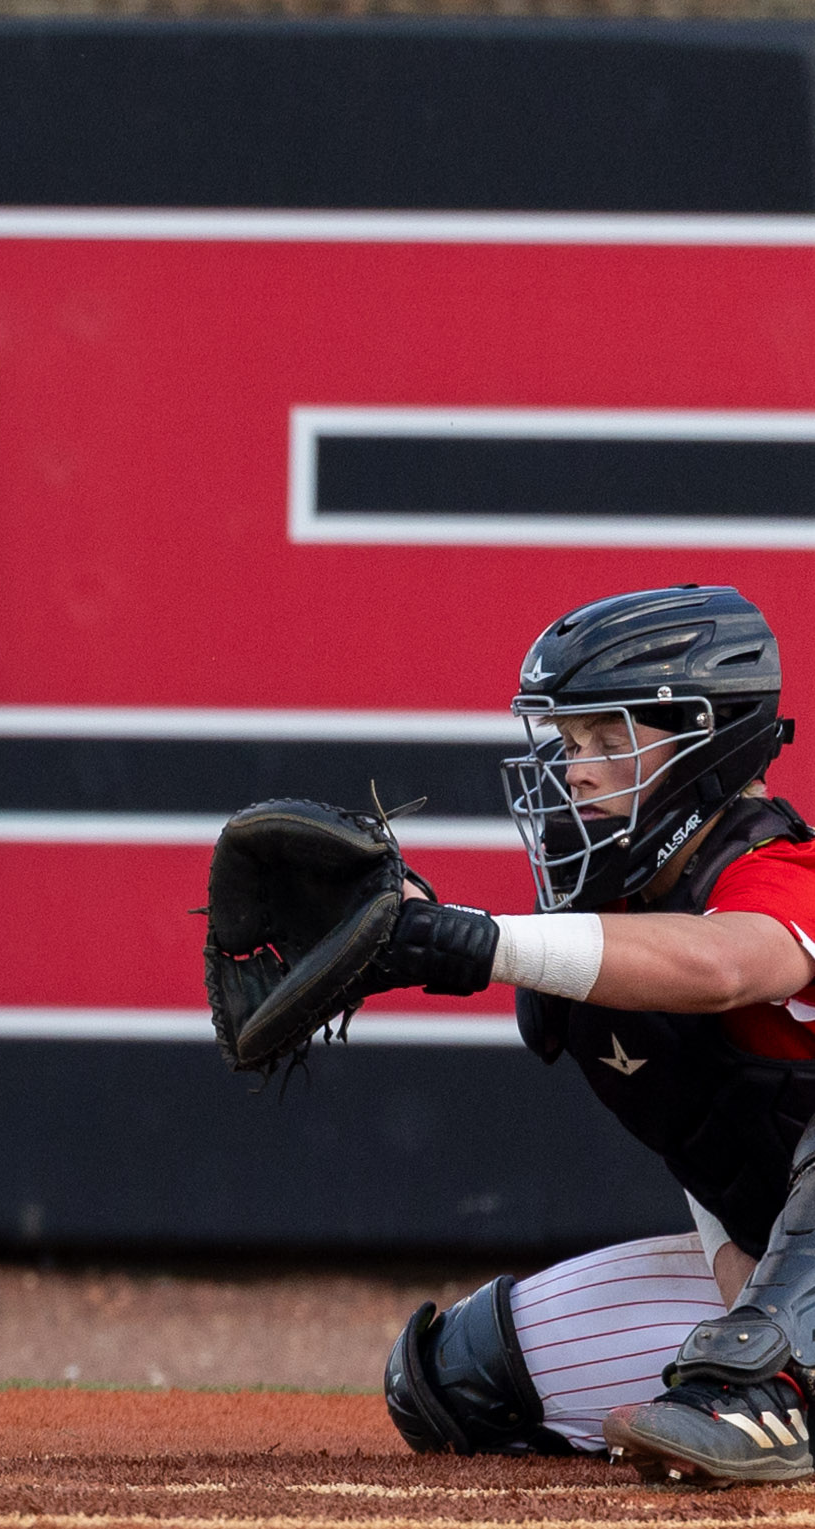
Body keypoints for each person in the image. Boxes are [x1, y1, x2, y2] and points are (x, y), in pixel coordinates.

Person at [342, 584, 815, 1484]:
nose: (578, 769)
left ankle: (770, 1397)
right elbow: (703, 1136)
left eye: (608, 739)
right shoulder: (612, 926)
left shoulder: (788, 872)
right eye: (569, 743)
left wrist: (486, 942)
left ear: (704, 738)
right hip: (787, 1290)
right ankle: (769, 1381)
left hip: (795, 1318)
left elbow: (724, 964)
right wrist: (742, 1287)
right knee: (454, 1382)